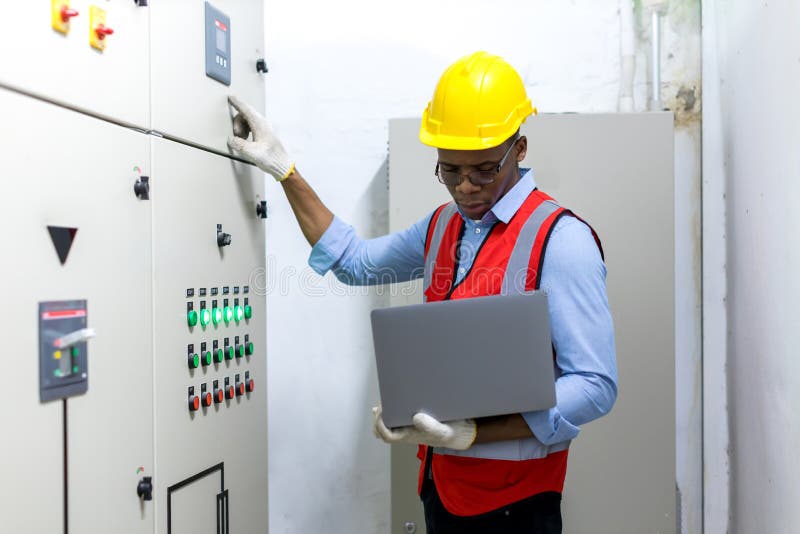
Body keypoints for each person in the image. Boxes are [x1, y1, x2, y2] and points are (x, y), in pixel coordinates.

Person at [228, 51, 617, 534]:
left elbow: (595, 386)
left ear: (519, 149)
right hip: (441, 487)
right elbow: (353, 262)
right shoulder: (442, 227)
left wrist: (477, 433)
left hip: (516, 501)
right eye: (450, 171)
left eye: (484, 171)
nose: (466, 188)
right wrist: (285, 171)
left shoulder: (562, 240)